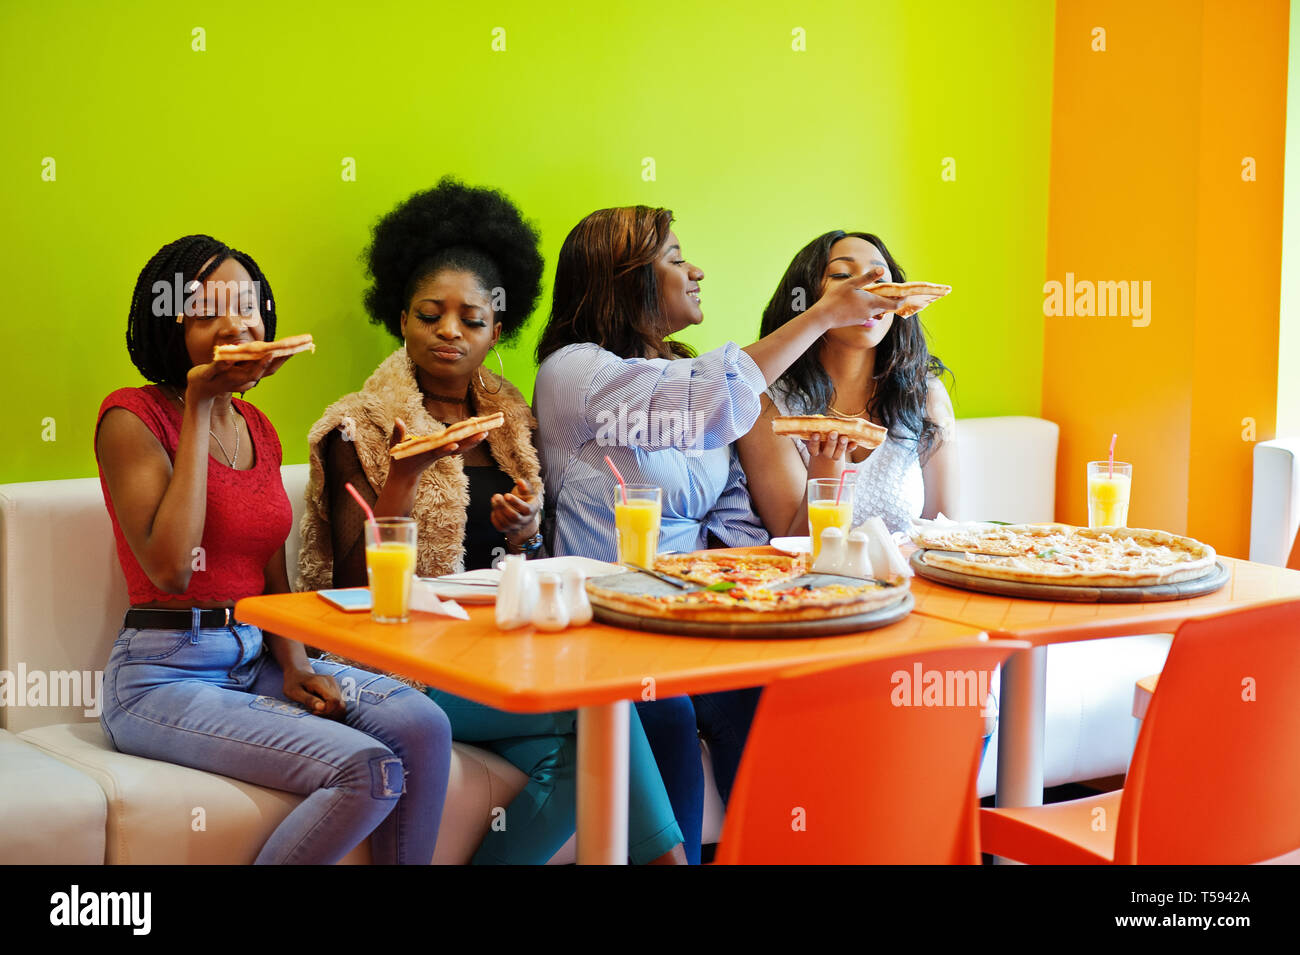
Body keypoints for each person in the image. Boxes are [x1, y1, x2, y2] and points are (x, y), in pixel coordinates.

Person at [296, 179, 687, 864]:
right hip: (393, 667)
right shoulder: (355, 425)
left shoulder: (509, 420)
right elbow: (357, 590)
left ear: (495, 331)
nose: (450, 332)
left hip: (494, 647)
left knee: (584, 748)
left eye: (471, 320)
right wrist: (407, 474)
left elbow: (523, 559)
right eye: (430, 314)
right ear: (402, 319)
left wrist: (524, 528)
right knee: (599, 709)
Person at [533, 206, 898, 861]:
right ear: (626, 281)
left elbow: (743, 529)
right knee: (665, 710)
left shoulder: (686, 373)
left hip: (699, 622)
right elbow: (695, 398)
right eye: (675, 258)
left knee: (781, 696)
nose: (695, 270)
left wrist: (823, 474)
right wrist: (821, 315)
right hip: (611, 624)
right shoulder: (575, 374)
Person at [96, 235, 453, 865]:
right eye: (209, 313)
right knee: (367, 771)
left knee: (424, 726)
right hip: (164, 675)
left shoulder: (258, 426)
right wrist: (201, 403)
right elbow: (172, 569)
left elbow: (272, 580)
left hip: (257, 656)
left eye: (248, 307)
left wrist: (294, 665)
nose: (237, 324)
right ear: (170, 326)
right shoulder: (132, 416)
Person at [737, 230, 959, 537]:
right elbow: (795, 548)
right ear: (805, 301)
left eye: (881, 280)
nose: (867, 290)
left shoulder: (925, 396)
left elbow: (944, 534)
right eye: (842, 274)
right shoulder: (765, 404)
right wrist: (826, 468)